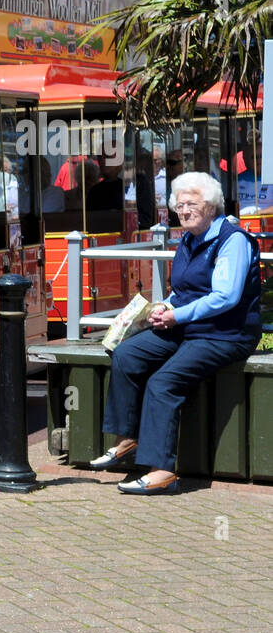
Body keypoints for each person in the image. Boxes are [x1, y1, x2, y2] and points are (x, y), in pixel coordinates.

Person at [91, 172, 261, 494]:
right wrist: (162, 307)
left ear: (210, 205)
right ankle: (127, 437)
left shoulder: (232, 240)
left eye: (191, 203)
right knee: (126, 353)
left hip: (225, 334)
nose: (183, 210)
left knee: (163, 383)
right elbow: (183, 289)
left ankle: (163, 471)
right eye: (179, 205)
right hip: (188, 326)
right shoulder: (188, 238)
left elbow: (226, 297)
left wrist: (175, 315)